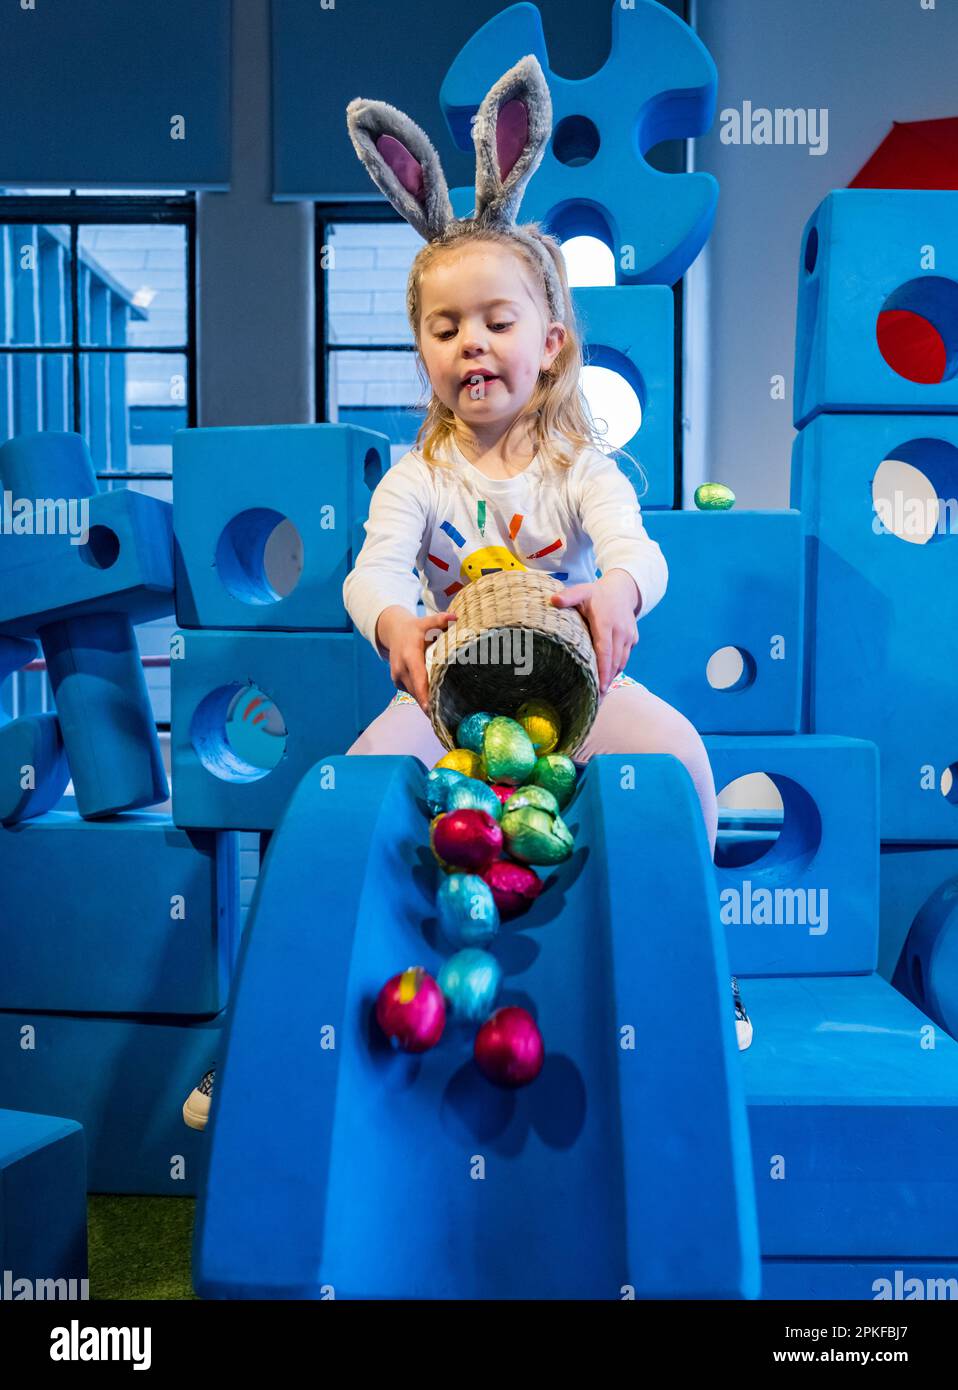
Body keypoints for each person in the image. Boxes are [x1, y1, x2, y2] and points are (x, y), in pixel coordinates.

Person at [181, 53, 751, 1134]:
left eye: (495, 320)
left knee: (679, 754)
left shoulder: (580, 468)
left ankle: (705, 975)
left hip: (574, 689)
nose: (470, 344)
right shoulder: (420, 475)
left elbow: (639, 545)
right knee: (342, 796)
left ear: (551, 341)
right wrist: (396, 622)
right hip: (448, 700)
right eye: (445, 330)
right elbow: (373, 569)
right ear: (423, 352)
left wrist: (617, 593)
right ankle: (248, 1036)